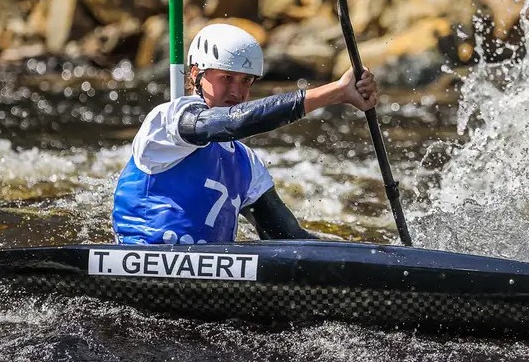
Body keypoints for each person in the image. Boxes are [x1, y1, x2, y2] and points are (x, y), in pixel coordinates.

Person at [112, 22, 379, 245]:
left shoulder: (246, 164)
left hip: (211, 281)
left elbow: (288, 237)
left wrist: (364, 257)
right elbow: (234, 121)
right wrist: (336, 92)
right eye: (226, 78)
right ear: (195, 75)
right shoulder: (167, 123)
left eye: (246, 81)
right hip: (141, 262)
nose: (237, 92)